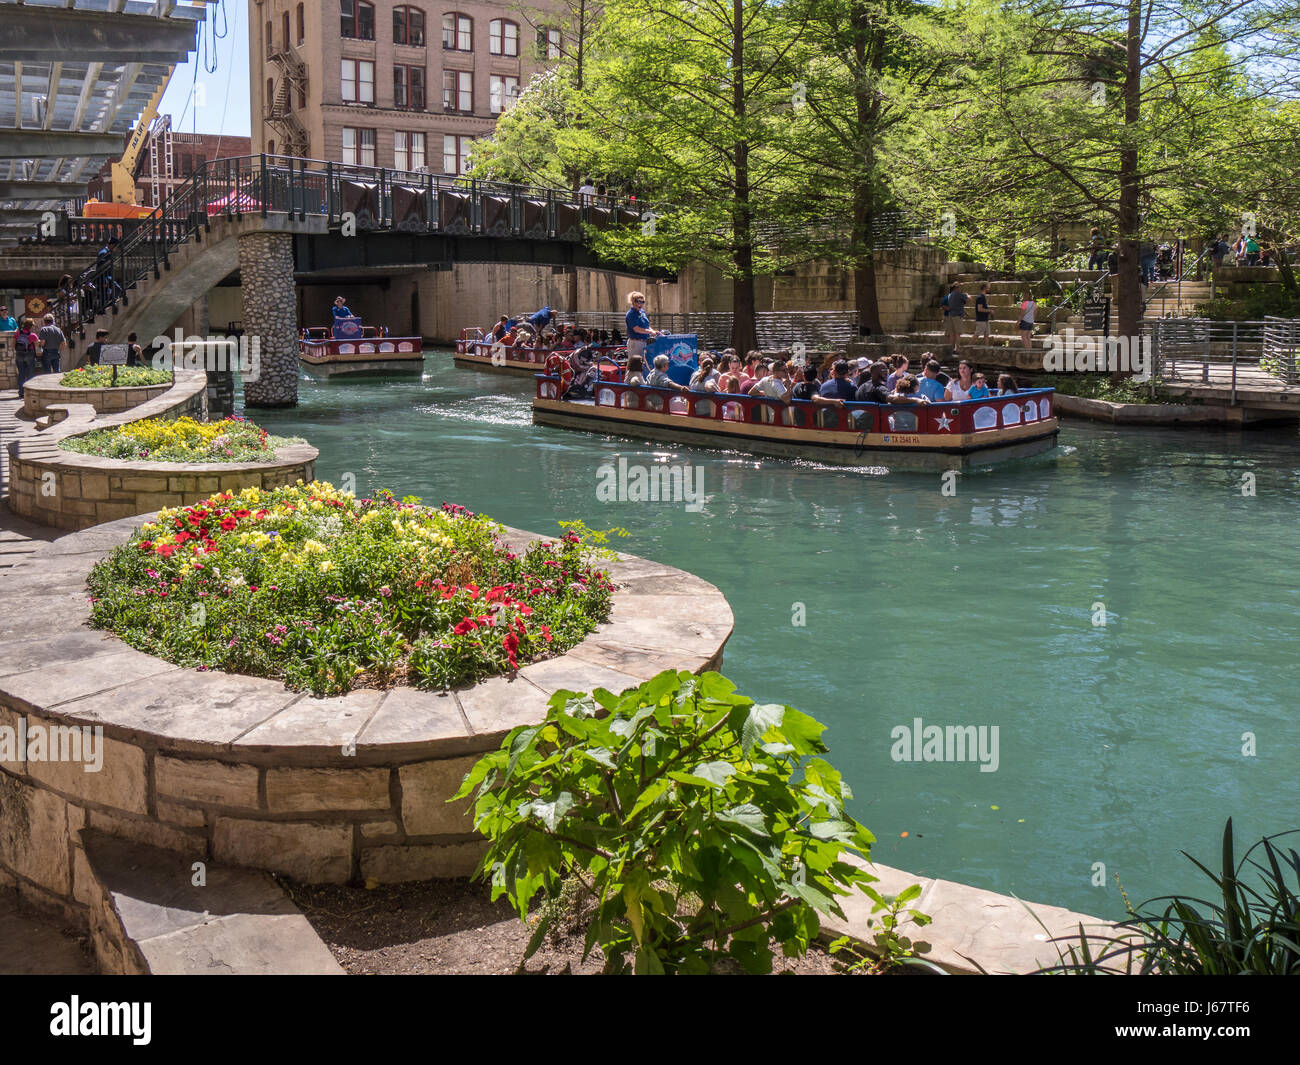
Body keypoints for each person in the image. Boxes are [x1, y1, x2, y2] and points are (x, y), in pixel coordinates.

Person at [624, 291, 663, 365]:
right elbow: (636, 329)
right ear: (633, 302)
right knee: (634, 366)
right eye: (638, 302)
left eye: (642, 302)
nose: (640, 304)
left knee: (643, 365)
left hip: (645, 342)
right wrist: (650, 332)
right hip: (636, 343)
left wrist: (653, 331)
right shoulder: (631, 314)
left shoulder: (642, 312)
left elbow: (646, 326)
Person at [941, 281, 969, 355]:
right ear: (957, 288)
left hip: (950, 315)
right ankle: (957, 349)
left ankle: (951, 349)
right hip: (955, 316)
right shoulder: (957, 294)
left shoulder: (950, 295)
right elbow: (967, 298)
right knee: (957, 333)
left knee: (951, 333)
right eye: (959, 287)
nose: (960, 288)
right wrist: (967, 295)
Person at [14, 317, 39, 398]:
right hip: (29, 354)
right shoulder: (33, 335)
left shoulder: (18, 333)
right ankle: (29, 392)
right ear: (31, 326)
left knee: (21, 374)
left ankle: (21, 392)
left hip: (19, 354)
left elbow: (12, 344)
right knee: (30, 373)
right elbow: (38, 345)